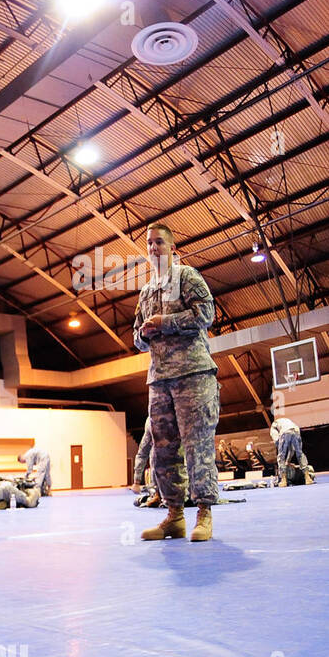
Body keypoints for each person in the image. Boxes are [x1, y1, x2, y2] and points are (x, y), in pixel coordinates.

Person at [133, 222, 219, 542]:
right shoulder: (145, 292)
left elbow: (205, 314)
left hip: (193, 376)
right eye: (149, 244)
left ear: (171, 248)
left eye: (159, 243)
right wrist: (144, 333)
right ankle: (174, 516)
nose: (153, 248)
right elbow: (137, 338)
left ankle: (204, 514)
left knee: (197, 447)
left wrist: (165, 323)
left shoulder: (188, 277)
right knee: (163, 452)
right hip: (159, 381)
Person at [270, 417, 316, 486]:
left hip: (285, 431)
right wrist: (288, 461)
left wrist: (285, 462)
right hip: (296, 429)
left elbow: (277, 442)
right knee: (300, 453)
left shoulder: (273, 427)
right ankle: (307, 478)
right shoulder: (287, 421)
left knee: (281, 456)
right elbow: (292, 450)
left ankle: (283, 480)